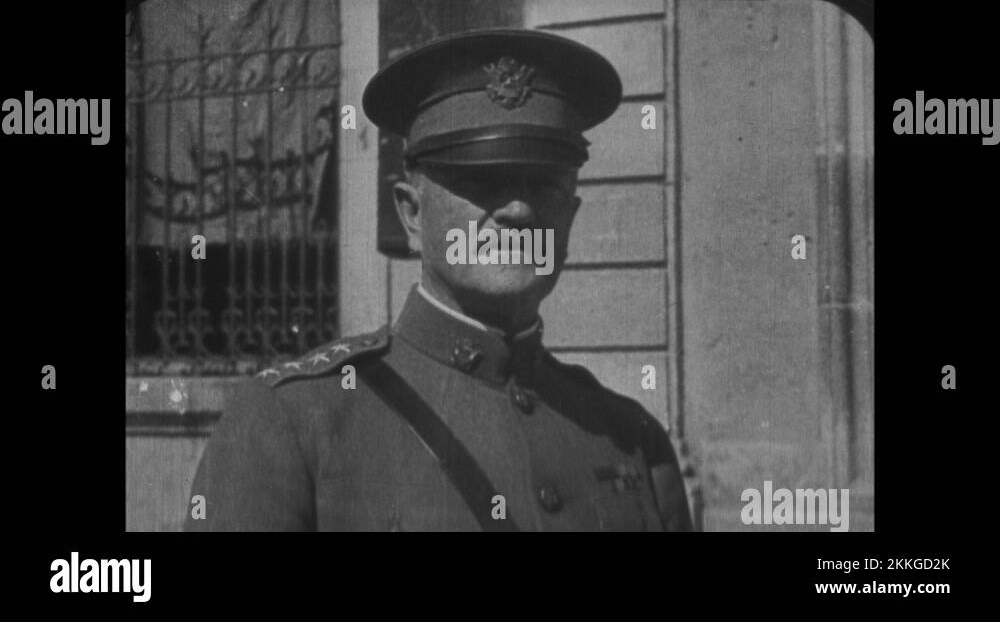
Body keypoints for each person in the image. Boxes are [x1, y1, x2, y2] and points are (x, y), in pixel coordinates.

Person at [186, 29, 692, 531]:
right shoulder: (292, 422)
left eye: (543, 183)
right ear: (410, 214)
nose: (517, 211)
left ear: (570, 216)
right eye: (482, 181)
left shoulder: (632, 439)